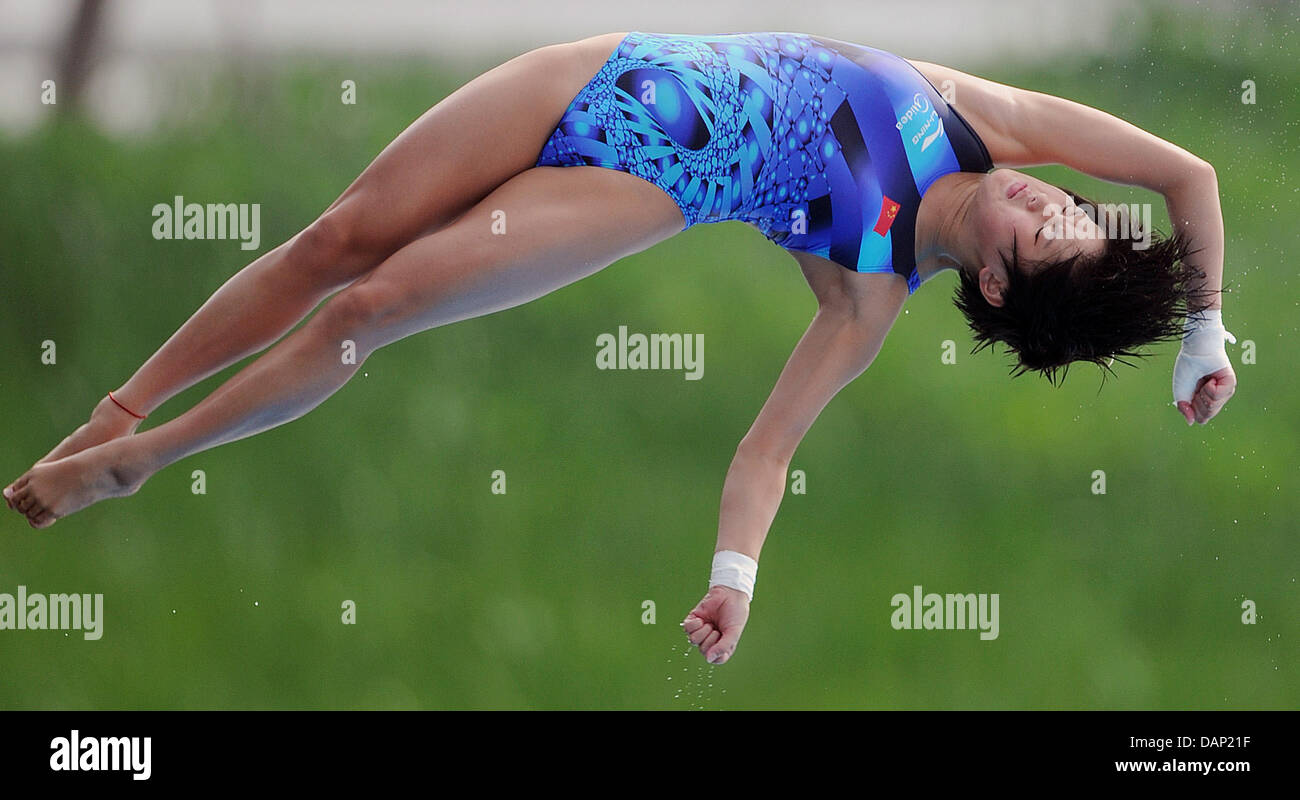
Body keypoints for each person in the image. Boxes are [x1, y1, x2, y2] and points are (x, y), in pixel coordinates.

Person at [4, 32, 1236, 667]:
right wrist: (1203, 327)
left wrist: (733, 580)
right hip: (610, 65)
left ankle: (141, 461)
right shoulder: (992, 121)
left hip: (638, 178)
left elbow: (765, 453)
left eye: (1054, 229)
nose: (1050, 199)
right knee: (335, 236)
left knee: (363, 309)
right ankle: (120, 405)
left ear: (1005, 278)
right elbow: (1191, 172)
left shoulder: (867, 292)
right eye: (1070, 203)